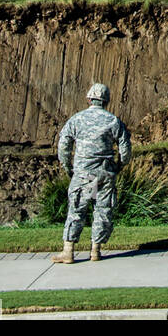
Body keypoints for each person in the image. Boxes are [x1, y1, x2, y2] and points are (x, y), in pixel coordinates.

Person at [52, 82, 132, 264]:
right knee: (102, 211)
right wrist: (119, 166)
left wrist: (68, 167)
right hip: (105, 173)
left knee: (78, 209)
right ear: (106, 101)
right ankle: (95, 250)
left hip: (85, 175)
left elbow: (64, 145)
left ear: (88, 99)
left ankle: (68, 251)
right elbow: (125, 149)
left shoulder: (77, 119)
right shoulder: (113, 121)